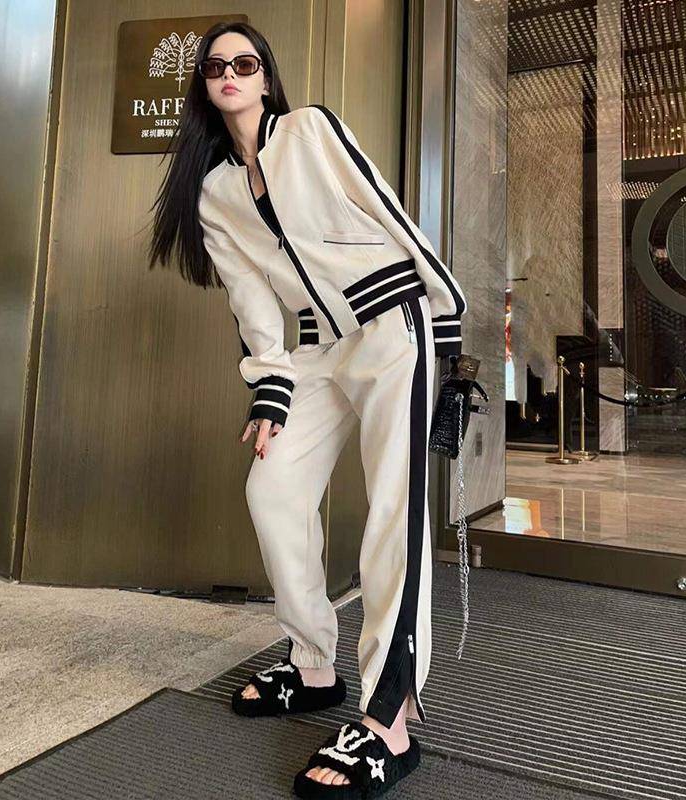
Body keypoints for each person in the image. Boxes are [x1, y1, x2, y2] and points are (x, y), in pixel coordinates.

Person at [148, 20, 467, 798]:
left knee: (392, 516)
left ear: (266, 76)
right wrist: (271, 384)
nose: (230, 72)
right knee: (273, 489)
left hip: (394, 326)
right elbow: (251, 298)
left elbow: (388, 211)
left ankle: (389, 719)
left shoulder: (312, 131)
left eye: (244, 61)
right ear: (205, 86)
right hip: (319, 347)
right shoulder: (216, 193)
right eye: (215, 66)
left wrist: (448, 327)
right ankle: (314, 664)